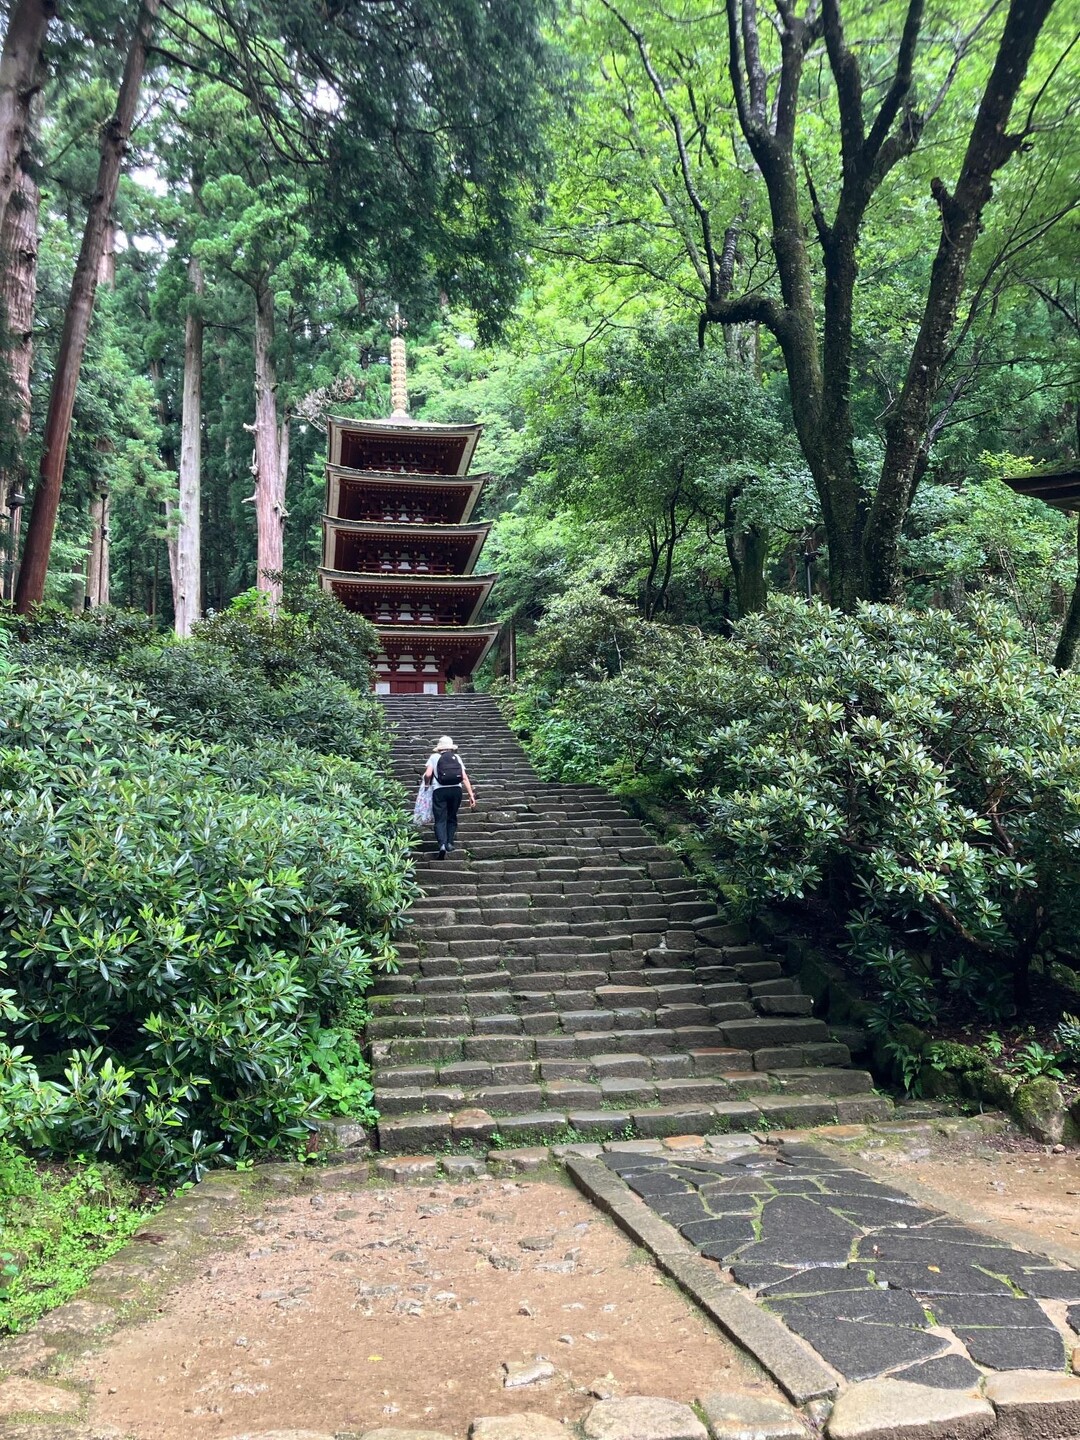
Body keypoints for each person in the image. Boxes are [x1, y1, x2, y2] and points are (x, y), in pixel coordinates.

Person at [423, 735, 476, 858]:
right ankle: (450, 843)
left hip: (439, 791)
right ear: (451, 747)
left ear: (439, 747)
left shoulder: (434, 757)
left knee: (440, 818)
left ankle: (442, 844)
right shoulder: (456, 757)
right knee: (452, 817)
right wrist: (470, 794)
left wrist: (426, 784)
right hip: (456, 790)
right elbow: (464, 777)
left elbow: (428, 774)